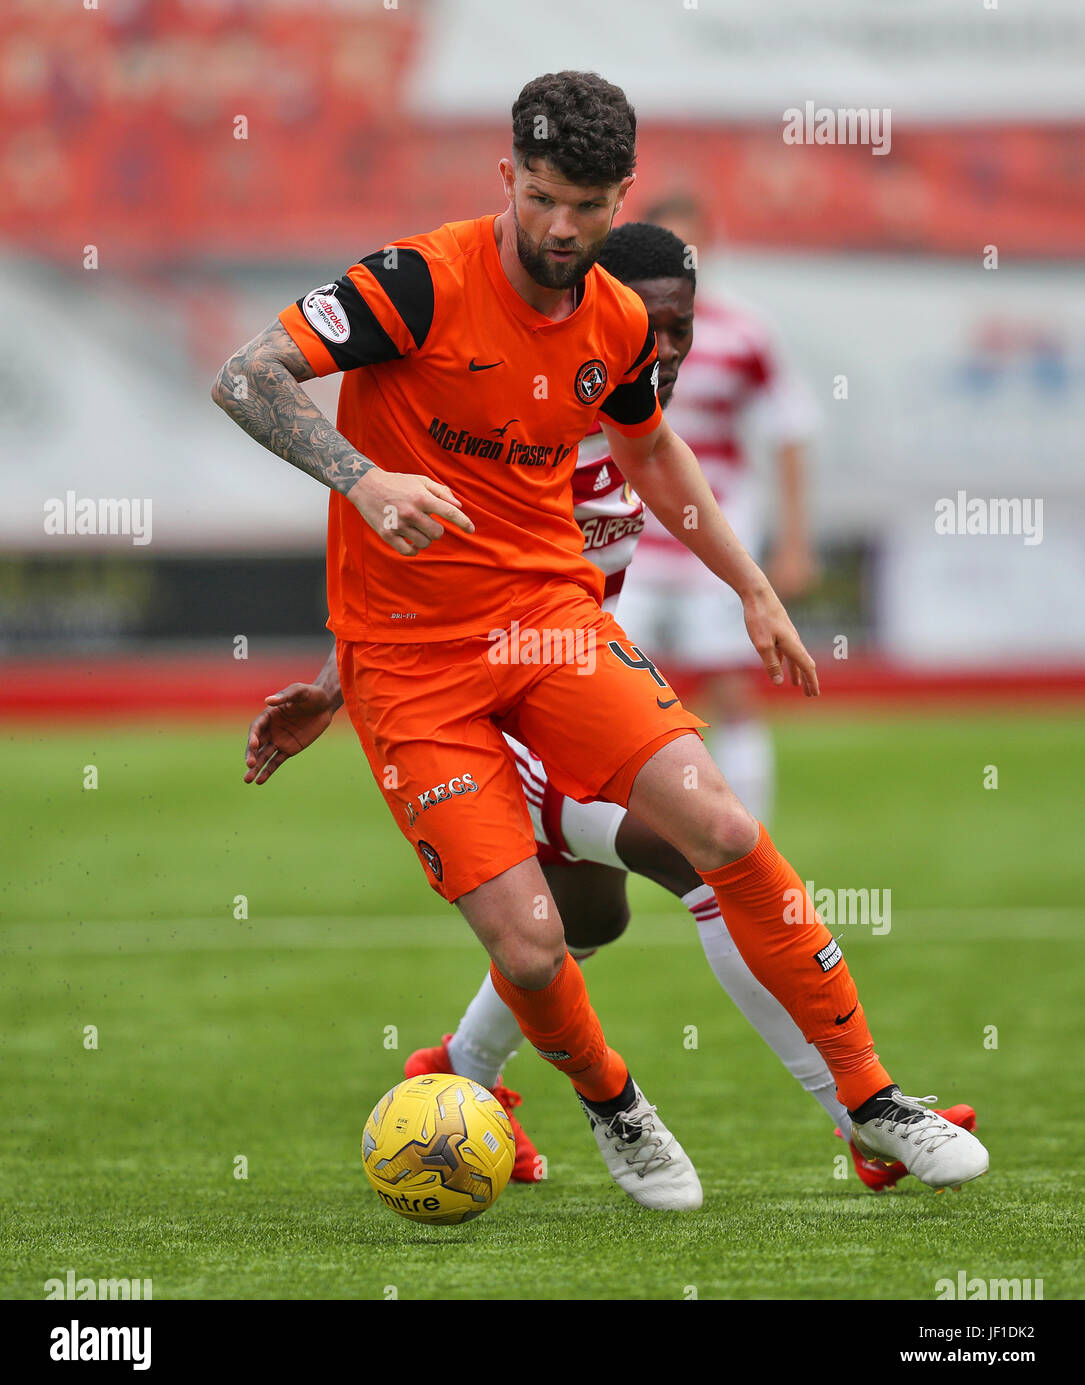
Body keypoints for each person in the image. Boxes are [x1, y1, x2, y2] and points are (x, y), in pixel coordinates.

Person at [213, 70, 987, 1210]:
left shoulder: (616, 320)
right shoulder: (416, 283)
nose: (559, 227)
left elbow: (653, 452)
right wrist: (362, 478)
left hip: (552, 634)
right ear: (507, 179)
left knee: (716, 829)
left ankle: (870, 1103)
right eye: (538, 199)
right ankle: (611, 1102)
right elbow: (245, 376)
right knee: (541, 941)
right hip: (414, 671)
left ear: (620, 196)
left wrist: (750, 588)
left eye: (584, 206)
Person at [620, 193, 819, 827]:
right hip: (629, 538)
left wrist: (793, 542)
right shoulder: (606, 329)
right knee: (614, 697)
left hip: (715, 535)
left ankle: (749, 840)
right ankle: (617, 838)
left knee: (731, 689)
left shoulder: (744, 331)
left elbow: (790, 428)